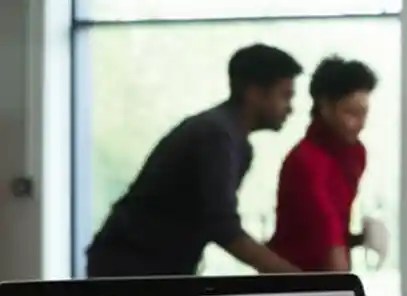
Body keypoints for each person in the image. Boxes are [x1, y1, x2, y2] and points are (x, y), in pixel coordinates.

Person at [86, 44, 303, 277]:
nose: (290, 109)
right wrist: (293, 276)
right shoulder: (216, 137)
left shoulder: (233, 141)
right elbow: (223, 227)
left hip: (151, 264)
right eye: (284, 96)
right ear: (254, 93)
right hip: (132, 267)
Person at [269, 55, 383, 272]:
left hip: (330, 271)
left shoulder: (356, 153)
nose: (360, 124)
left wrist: (359, 239)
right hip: (294, 279)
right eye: (350, 113)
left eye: (364, 113)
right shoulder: (306, 161)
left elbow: (335, 229)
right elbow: (325, 228)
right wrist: (341, 291)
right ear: (325, 106)